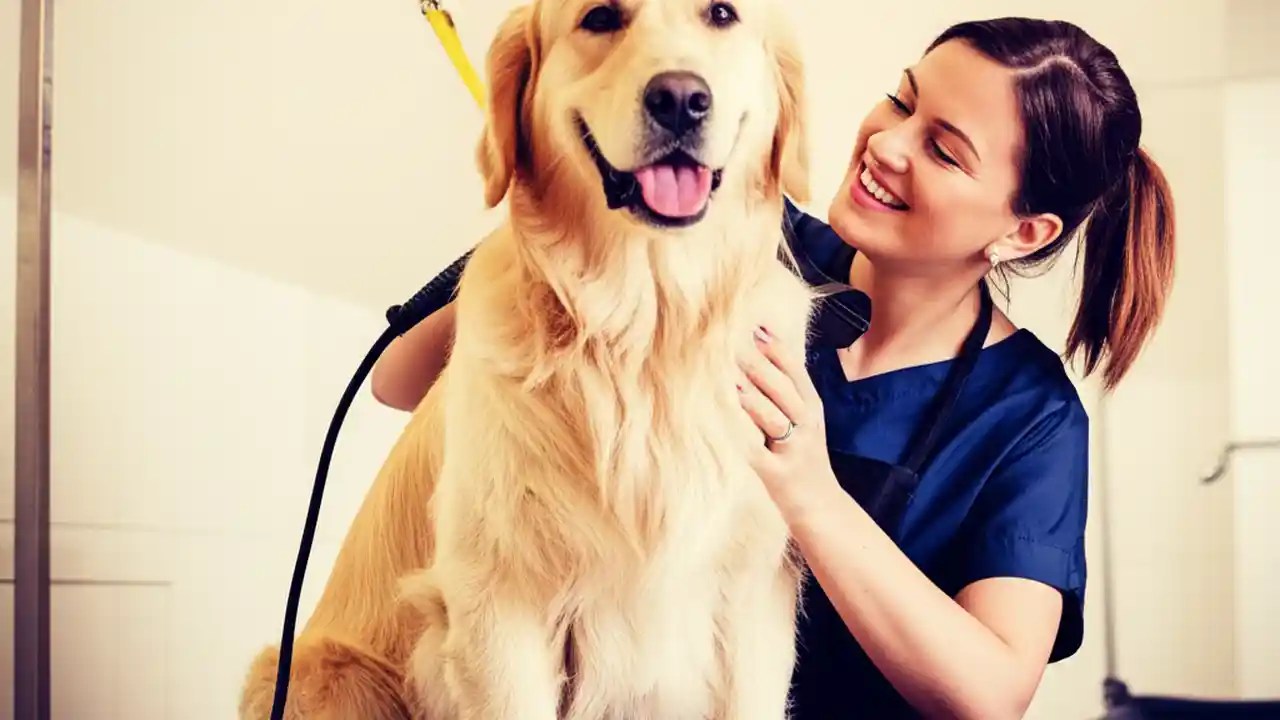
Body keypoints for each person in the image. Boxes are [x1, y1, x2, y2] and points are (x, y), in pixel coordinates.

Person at [370, 17, 1175, 719]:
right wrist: (571, 217)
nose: (888, 144)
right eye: (901, 101)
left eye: (942, 150)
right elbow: (398, 381)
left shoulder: (1029, 415)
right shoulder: (736, 230)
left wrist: (810, 492)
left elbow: (991, 694)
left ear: (1022, 232)